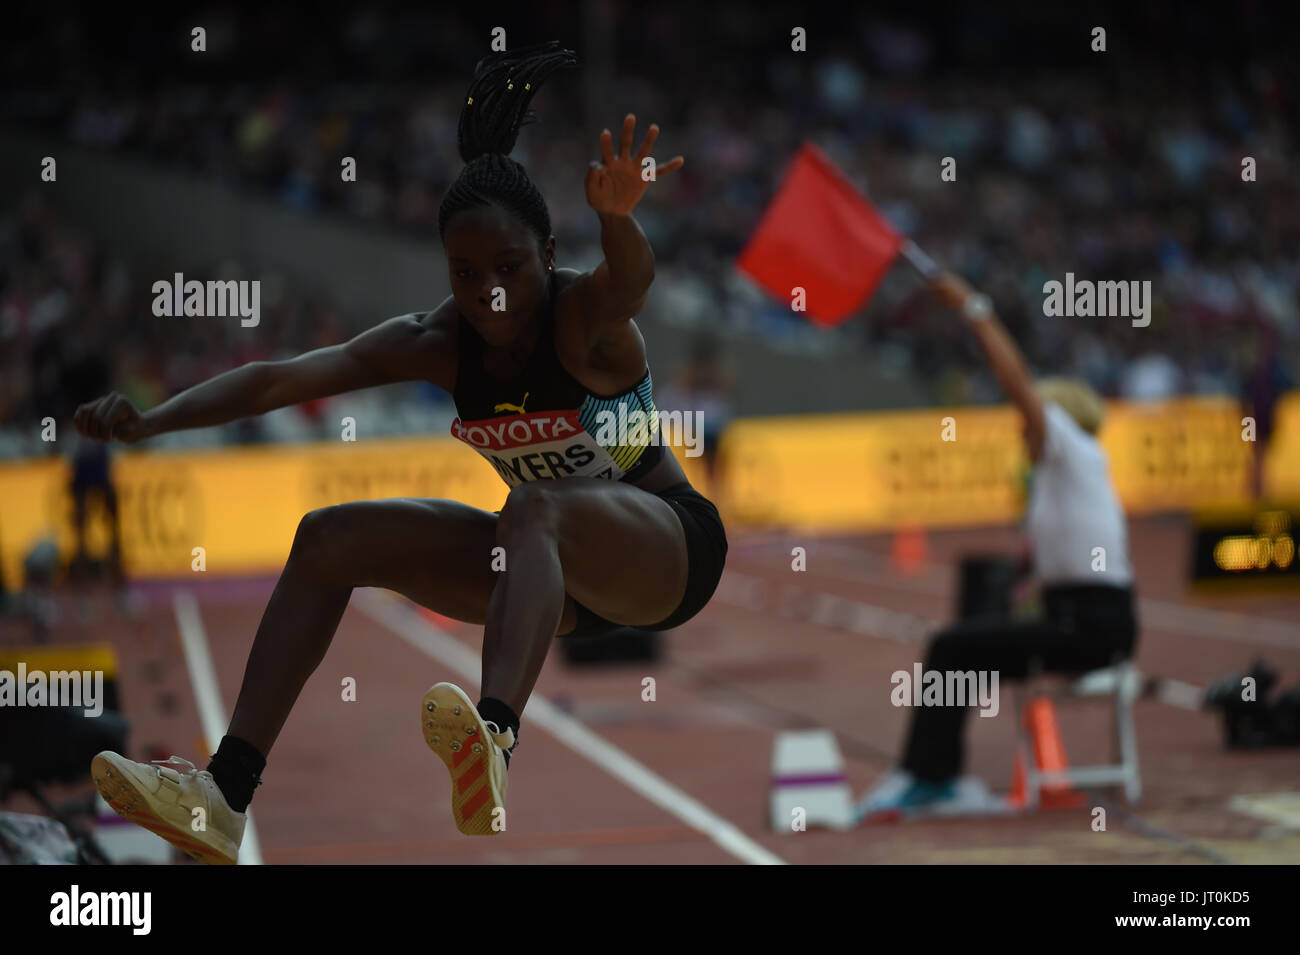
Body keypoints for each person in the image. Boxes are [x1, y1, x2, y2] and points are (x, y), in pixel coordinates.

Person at [76, 42, 728, 863]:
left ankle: (492, 735)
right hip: (547, 578)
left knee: (532, 508)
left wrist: (618, 218)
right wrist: (150, 421)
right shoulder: (436, 343)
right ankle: (224, 794)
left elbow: (630, 280)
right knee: (328, 538)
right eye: (464, 272)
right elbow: (277, 379)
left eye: (510, 268)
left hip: (668, 547)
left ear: (550, 258)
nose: (489, 293)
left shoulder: (585, 321)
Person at [856, 271, 1138, 820]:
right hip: (1080, 618)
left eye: (1025, 419)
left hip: (1094, 626)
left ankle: (931, 780)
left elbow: (1016, 382)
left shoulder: (1069, 446)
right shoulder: (1067, 475)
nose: (1017, 428)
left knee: (952, 649)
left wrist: (974, 308)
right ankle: (934, 774)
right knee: (963, 648)